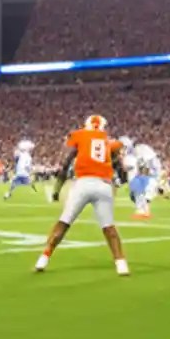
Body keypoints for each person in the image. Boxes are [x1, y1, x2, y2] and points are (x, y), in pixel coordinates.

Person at [34, 115, 130, 276]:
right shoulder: (108, 142)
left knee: (64, 222)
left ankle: (44, 258)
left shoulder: (80, 136)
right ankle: (121, 264)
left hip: (83, 184)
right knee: (109, 227)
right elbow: (121, 171)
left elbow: (66, 165)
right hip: (103, 185)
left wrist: (57, 190)